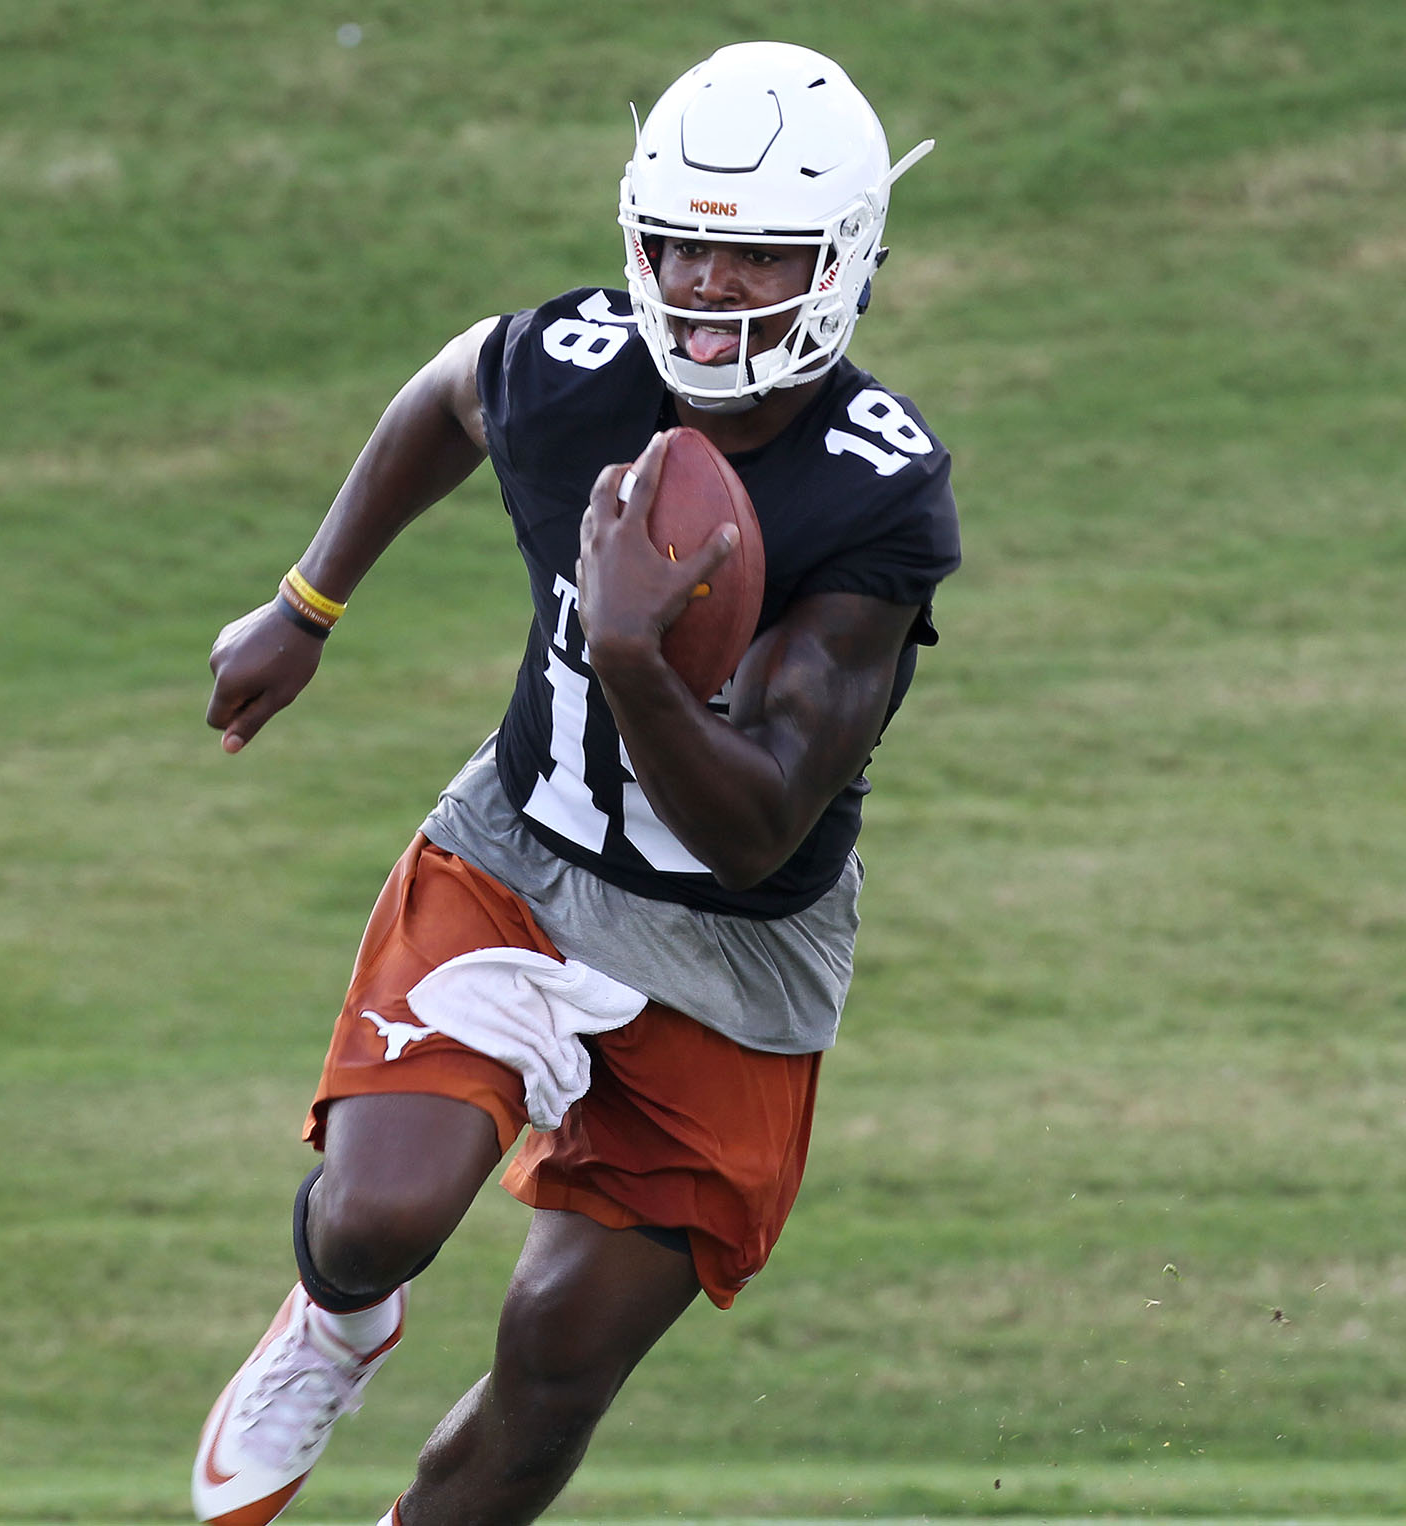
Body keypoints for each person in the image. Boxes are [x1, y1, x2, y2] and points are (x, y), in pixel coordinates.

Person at [192, 40, 960, 1526]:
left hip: (735, 952)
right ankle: (335, 1320)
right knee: (378, 1213)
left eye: (756, 259)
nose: (706, 286)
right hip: (520, 862)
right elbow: (451, 391)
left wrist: (630, 648)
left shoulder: (875, 487)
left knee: (555, 1368)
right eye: (680, 244)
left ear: (843, 258)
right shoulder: (579, 367)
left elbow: (755, 826)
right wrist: (307, 601)